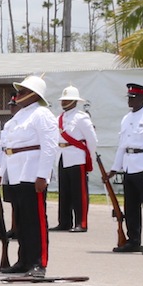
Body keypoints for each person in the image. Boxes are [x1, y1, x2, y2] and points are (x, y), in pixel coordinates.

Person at [0, 75, 58, 277]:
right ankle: (24, 260)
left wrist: (43, 175)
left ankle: (39, 263)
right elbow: (8, 148)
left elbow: (49, 147)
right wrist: (1, 175)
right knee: (21, 222)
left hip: (32, 173)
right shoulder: (18, 117)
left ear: (34, 94)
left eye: (22, 91)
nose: (18, 95)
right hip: (16, 173)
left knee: (35, 221)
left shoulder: (42, 114)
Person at [112, 83, 143, 253]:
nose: (130, 101)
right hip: (129, 166)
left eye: (133, 97)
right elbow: (122, 146)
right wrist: (115, 168)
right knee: (130, 206)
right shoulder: (126, 118)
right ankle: (133, 240)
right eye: (129, 97)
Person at [52, 86, 97, 232]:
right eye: (63, 100)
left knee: (79, 192)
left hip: (77, 157)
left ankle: (81, 222)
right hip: (62, 156)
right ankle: (64, 222)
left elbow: (92, 140)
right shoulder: (59, 118)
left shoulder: (81, 117)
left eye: (68, 100)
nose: (64, 102)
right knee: (64, 192)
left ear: (75, 101)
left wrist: (88, 157)